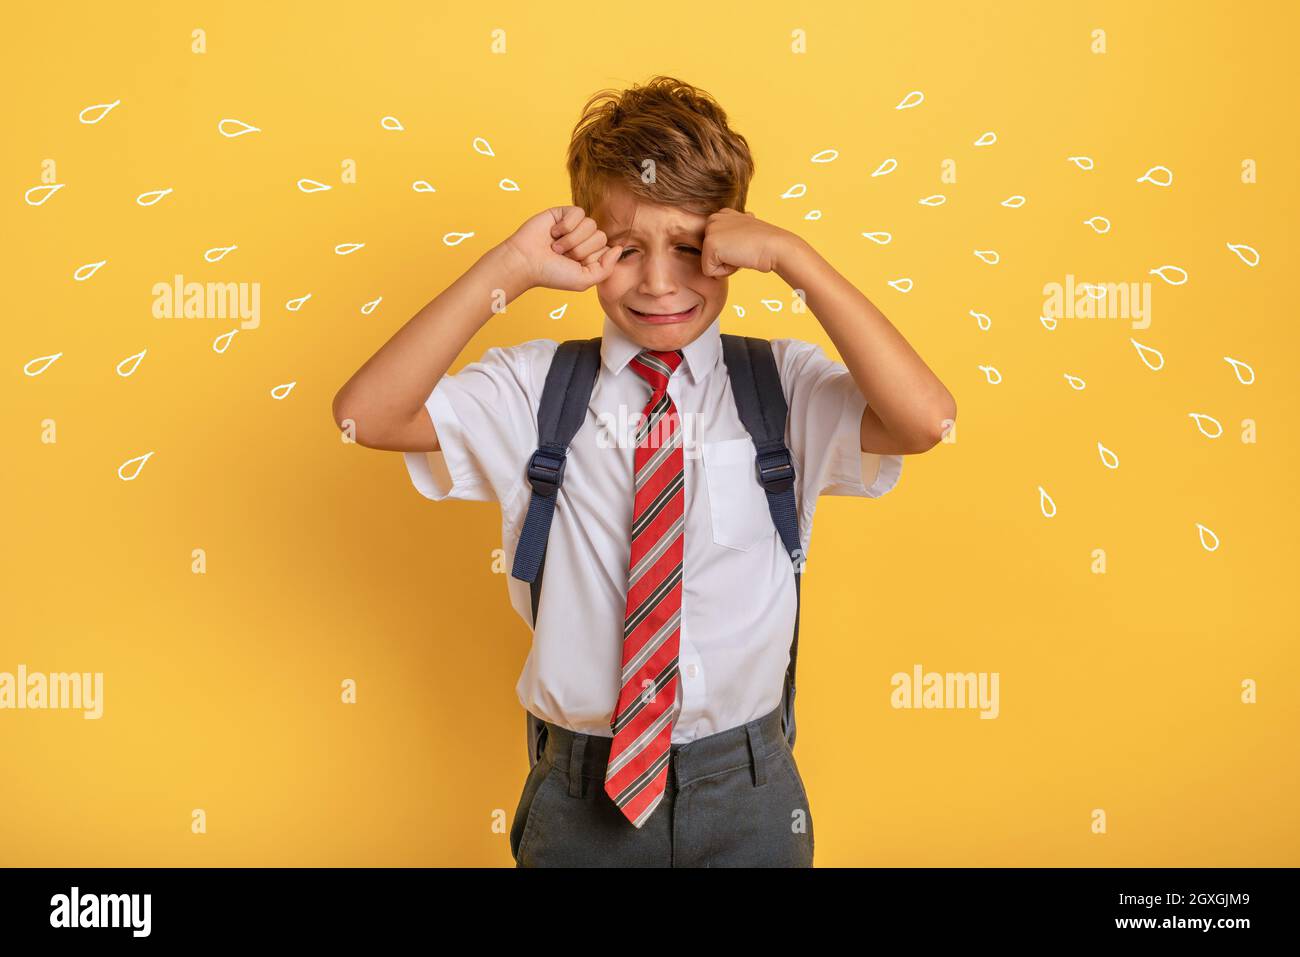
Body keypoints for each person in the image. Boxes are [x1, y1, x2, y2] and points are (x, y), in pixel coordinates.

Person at [332, 75, 956, 867]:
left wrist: (798, 260)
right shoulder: (536, 392)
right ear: (589, 246)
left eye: (693, 248)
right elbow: (367, 413)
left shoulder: (781, 389)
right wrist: (513, 265)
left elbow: (927, 420)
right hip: (580, 794)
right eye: (626, 250)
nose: (661, 282)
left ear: (736, 243)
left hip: (749, 789)